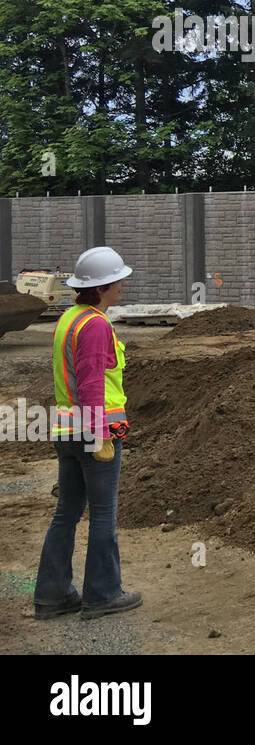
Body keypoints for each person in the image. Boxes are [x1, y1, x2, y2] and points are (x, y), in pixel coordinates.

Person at [34, 246, 143, 620]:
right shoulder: (96, 325)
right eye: (118, 279)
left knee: (65, 514)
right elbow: (92, 382)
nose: (124, 283)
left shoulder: (70, 318)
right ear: (103, 286)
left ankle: (52, 595)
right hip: (93, 432)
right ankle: (102, 594)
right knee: (101, 516)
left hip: (66, 430)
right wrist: (99, 435)